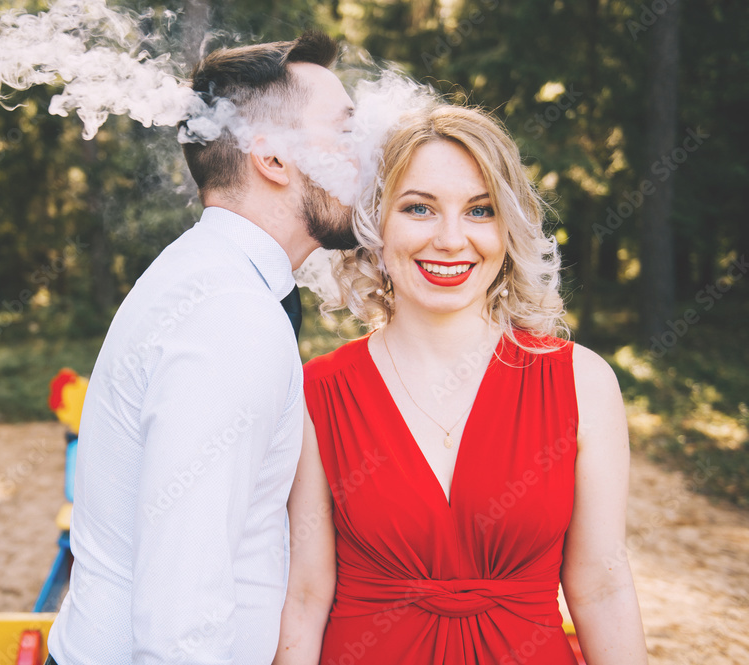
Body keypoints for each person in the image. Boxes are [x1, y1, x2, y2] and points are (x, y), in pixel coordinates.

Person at [274, 105, 648, 664]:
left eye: (480, 210)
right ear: (377, 223)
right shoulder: (317, 393)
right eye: (419, 208)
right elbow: (304, 596)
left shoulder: (581, 382)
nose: (451, 240)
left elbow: (602, 587)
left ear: (508, 226)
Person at [45, 31, 358, 665]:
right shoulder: (229, 316)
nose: (371, 157)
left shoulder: (214, 278)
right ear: (273, 161)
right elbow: (180, 612)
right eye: (346, 133)